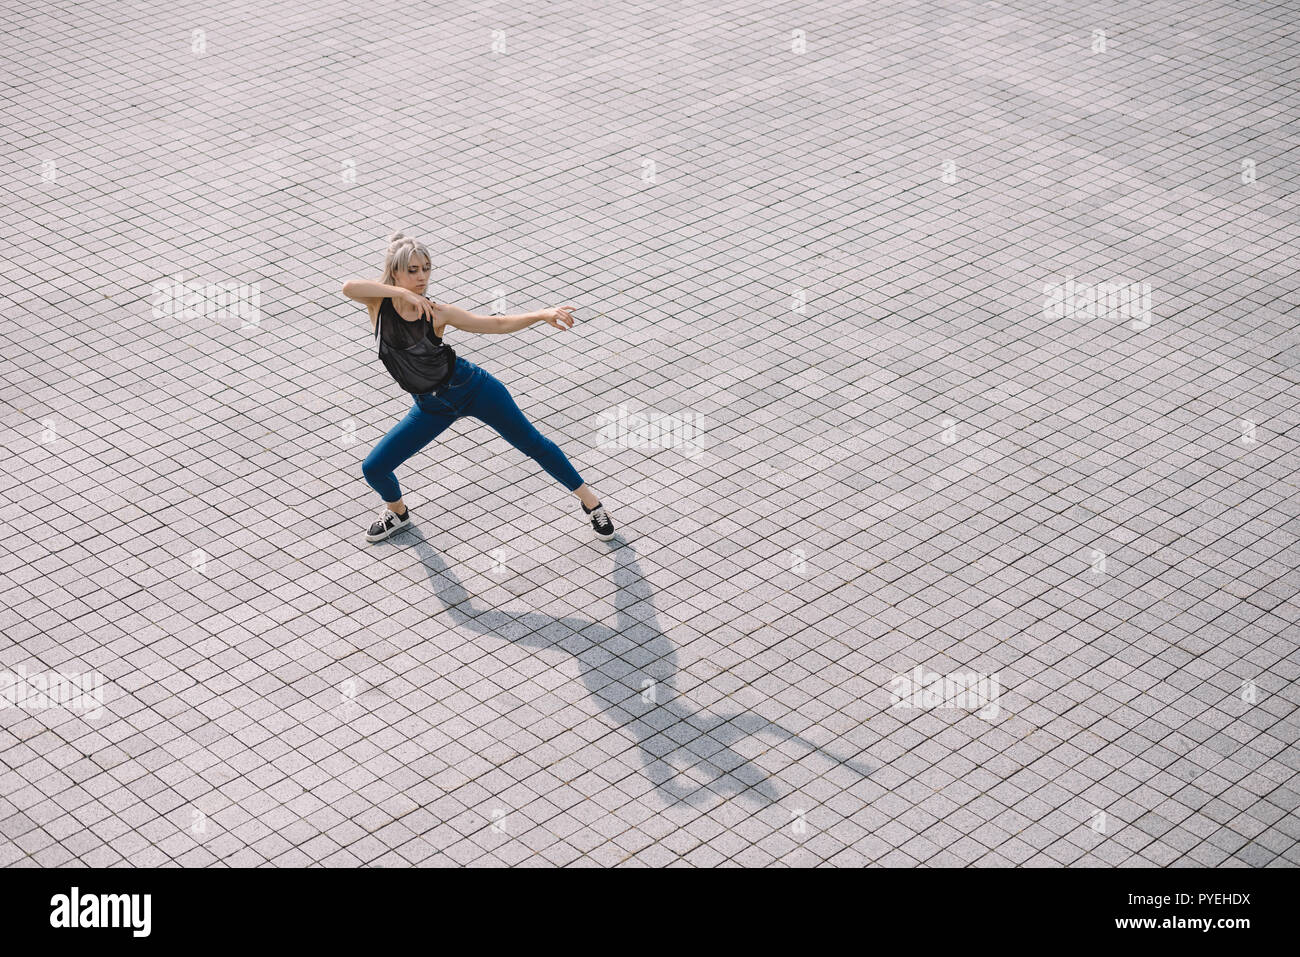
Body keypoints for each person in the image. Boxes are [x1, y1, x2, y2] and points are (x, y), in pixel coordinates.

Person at [342, 231, 615, 543]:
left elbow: (495, 324)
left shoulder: (437, 312)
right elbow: (348, 287)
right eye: (413, 270)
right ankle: (398, 512)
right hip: (430, 407)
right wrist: (401, 295)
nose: (422, 277)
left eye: (427, 268)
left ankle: (592, 505)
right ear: (395, 272)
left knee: (533, 444)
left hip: (474, 389)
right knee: (374, 468)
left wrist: (542, 314)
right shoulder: (378, 304)